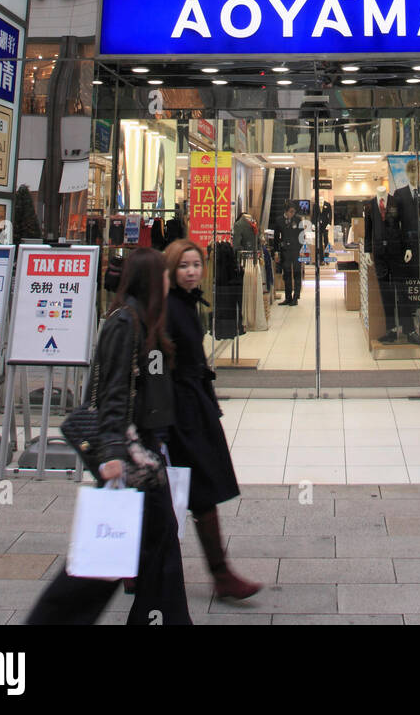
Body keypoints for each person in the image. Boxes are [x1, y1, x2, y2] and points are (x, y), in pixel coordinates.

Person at [25, 247, 192, 626]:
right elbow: (112, 394)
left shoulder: (140, 319)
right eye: (165, 274)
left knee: (153, 542)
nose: (170, 280)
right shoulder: (125, 323)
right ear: (151, 280)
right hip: (130, 458)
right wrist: (113, 452)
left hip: (140, 452)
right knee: (112, 554)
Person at [163, 239, 262, 602]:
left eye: (196, 265)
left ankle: (138, 569)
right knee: (196, 490)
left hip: (193, 407)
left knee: (187, 492)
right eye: (184, 266)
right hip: (180, 413)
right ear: (172, 270)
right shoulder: (170, 308)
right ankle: (220, 575)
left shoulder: (188, 305)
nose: (192, 271)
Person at [274, 201, 302, 306]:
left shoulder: (298, 220)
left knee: (297, 273)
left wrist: (303, 250)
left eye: (294, 212)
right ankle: (288, 297)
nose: (292, 214)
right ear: (286, 211)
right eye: (291, 211)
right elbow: (276, 238)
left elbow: (301, 237)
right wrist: (276, 252)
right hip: (285, 251)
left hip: (296, 251)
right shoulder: (279, 221)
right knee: (286, 275)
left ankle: (296, 297)